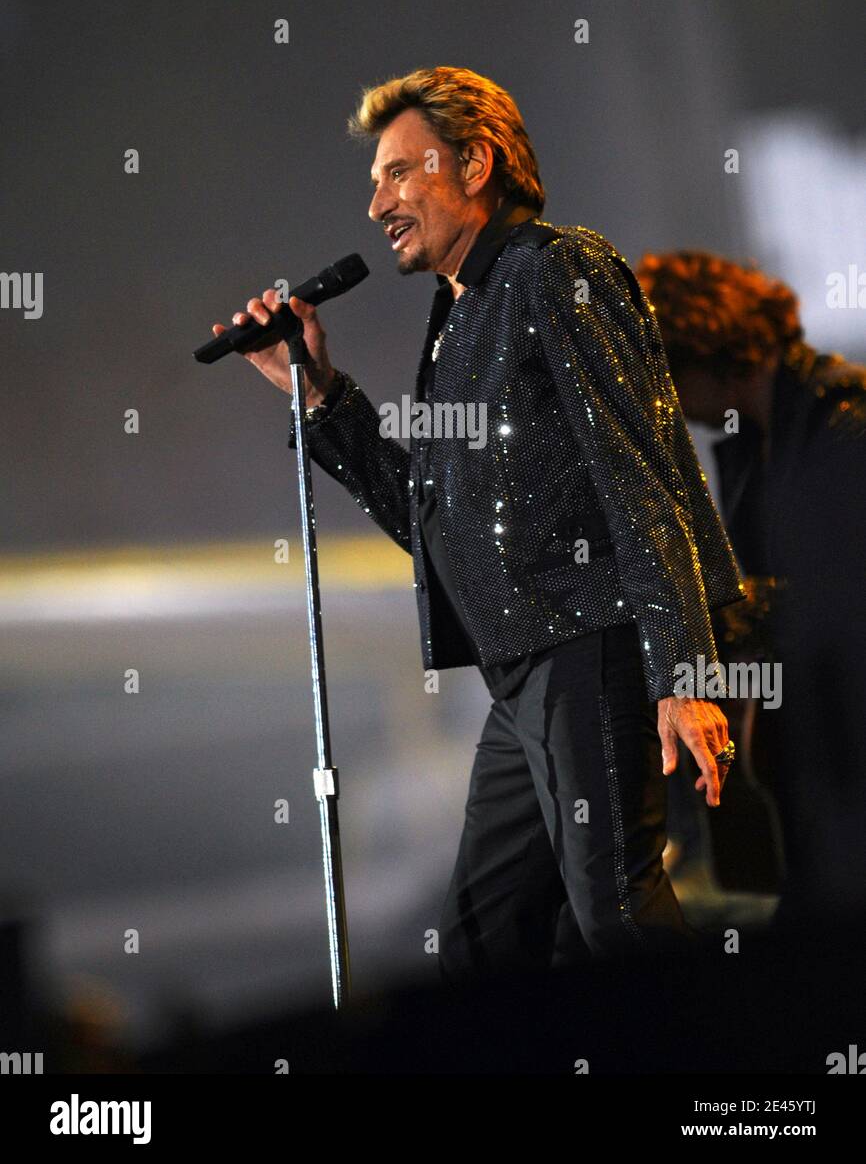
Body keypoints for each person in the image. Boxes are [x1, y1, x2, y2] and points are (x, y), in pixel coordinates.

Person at [211, 67, 744, 977]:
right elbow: (435, 522)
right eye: (376, 178)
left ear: (476, 164)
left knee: (618, 917)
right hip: (525, 675)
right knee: (484, 939)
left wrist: (682, 671)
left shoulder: (553, 270)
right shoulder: (460, 314)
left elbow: (643, 474)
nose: (376, 200)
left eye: (398, 173)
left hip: (591, 647)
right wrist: (321, 395)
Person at [635, 250, 866, 925]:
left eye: (663, 378)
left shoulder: (843, 423)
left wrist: (722, 612)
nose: (663, 405)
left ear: (698, 348)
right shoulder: (747, 444)